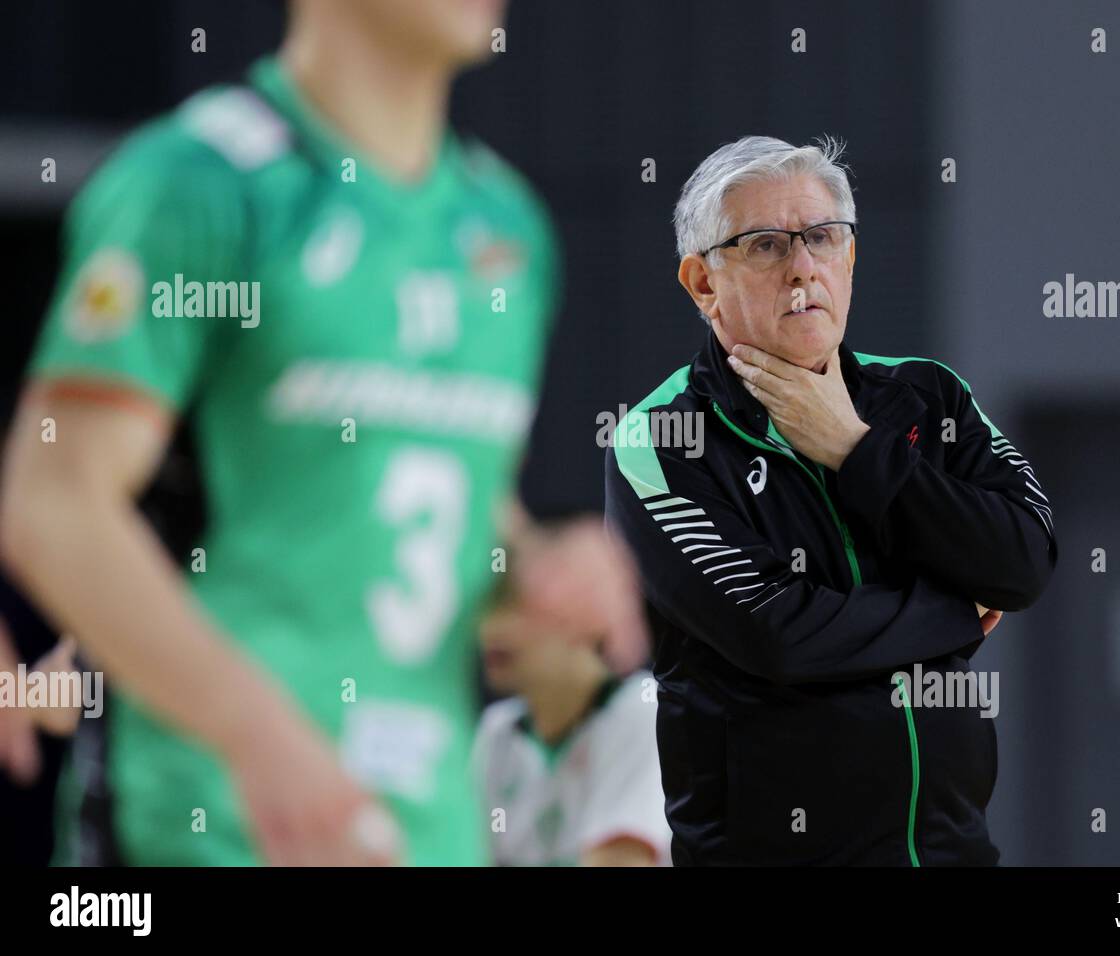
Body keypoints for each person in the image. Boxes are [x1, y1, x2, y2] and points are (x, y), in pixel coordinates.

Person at [0, 0, 645, 866]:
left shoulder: (504, 229)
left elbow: (427, 509)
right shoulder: (197, 183)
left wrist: (540, 567)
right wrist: (257, 737)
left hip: (422, 834)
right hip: (208, 827)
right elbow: (52, 501)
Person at [604, 135, 1057, 865]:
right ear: (702, 283)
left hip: (951, 852)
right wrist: (954, 612)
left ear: (850, 257)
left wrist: (854, 448)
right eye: (763, 245)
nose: (803, 268)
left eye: (821, 237)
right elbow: (778, 635)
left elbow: (1025, 558)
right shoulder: (662, 439)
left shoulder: (926, 393)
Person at [472, 582, 670, 866]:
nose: (492, 627)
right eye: (488, 606)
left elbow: (620, 861)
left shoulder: (642, 710)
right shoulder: (497, 731)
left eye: (516, 605)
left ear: (587, 615)